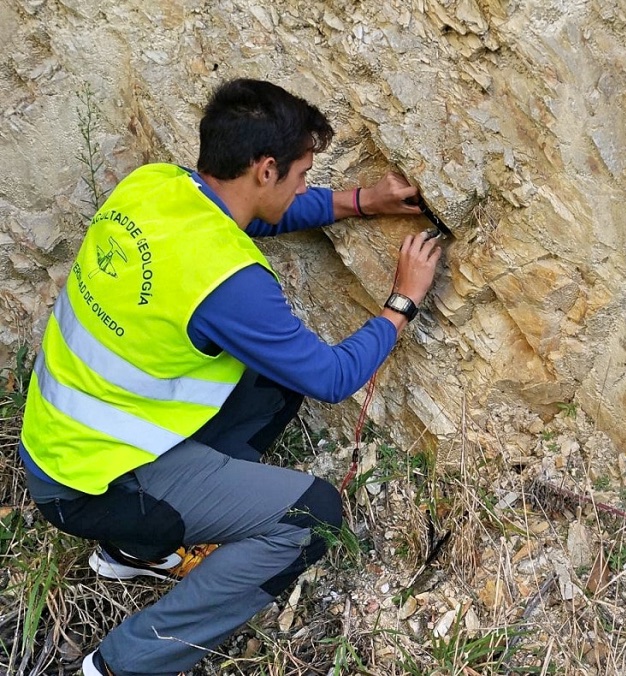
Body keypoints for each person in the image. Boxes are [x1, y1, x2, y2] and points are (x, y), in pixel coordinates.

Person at [17, 78, 441, 676]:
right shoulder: (229, 282)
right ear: (265, 170)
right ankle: (120, 665)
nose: (303, 186)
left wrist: (360, 201)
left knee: (272, 380)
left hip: (60, 442)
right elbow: (330, 375)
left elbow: (245, 219)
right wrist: (402, 302)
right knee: (312, 516)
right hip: (90, 483)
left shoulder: (154, 187)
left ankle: (134, 549)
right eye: (300, 175)